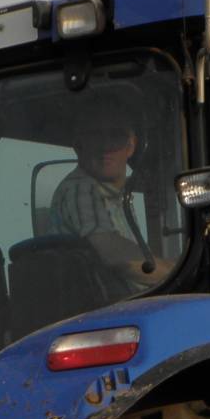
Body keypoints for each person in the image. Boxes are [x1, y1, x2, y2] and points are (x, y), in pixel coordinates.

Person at [49, 111, 173, 291]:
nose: (106, 146)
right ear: (79, 145)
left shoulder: (119, 198)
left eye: (116, 136)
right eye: (95, 136)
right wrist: (177, 272)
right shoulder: (80, 188)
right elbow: (114, 254)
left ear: (131, 146)